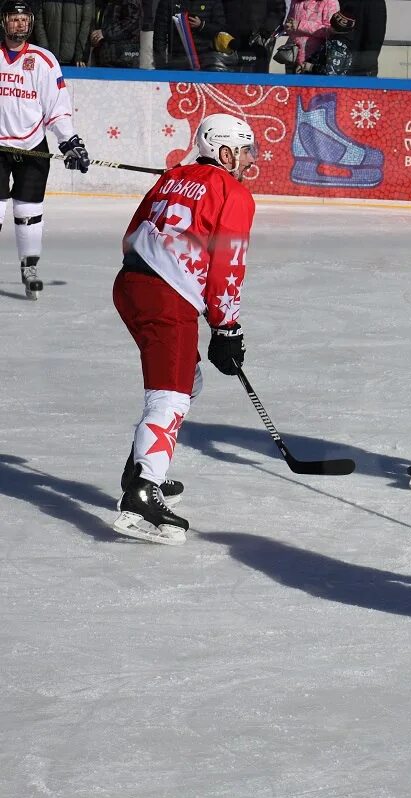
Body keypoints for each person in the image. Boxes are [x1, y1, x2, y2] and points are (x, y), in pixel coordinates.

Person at [112, 114, 257, 545]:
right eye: (245, 151)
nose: (250, 160)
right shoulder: (233, 193)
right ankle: (141, 492)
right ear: (224, 152)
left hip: (129, 284)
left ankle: (140, 467)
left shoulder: (173, 176)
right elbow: (227, 265)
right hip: (165, 296)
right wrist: (226, 326)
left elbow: (132, 233)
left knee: (185, 380)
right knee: (170, 393)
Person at [0, 0, 88, 300]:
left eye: (25, 19)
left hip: (31, 147)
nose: (20, 24)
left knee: (28, 212)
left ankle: (29, 267)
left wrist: (70, 142)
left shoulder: (44, 60)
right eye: (14, 18)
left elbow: (57, 111)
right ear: (4, 21)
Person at [212, 0, 284, 72]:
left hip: (258, 42)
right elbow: (215, 8)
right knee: (226, 80)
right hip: (228, 42)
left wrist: (265, 31)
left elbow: (278, 9)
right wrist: (222, 31)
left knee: (257, 79)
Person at [153, 0, 226, 70]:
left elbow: (221, 30)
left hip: (207, 60)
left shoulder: (213, 2)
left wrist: (202, 25)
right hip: (178, 60)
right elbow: (160, 34)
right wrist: (160, 63)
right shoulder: (169, 2)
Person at [275, 0, 336, 72]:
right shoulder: (296, 1)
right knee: (291, 82)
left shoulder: (330, 2)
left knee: (308, 83)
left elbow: (330, 31)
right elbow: (290, 21)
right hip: (292, 55)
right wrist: (288, 26)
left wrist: (300, 25)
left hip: (313, 60)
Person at [35, 0, 94, 65]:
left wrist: (80, 56)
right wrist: (44, 52)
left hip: (75, 61)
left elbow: (86, 25)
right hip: (47, 59)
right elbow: (38, 23)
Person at [86, 0, 143, 67]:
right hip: (103, 56)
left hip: (124, 58)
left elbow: (132, 23)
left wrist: (105, 33)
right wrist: (95, 36)